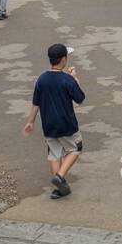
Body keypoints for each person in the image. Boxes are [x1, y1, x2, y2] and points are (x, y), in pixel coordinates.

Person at [24, 43, 85, 199]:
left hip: (48, 124)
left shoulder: (42, 79)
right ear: (63, 59)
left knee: (54, 153)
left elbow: (36, 103)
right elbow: (80, 98)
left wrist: (30, 121)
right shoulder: (67, 79)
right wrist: (75, 79)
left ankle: (58, 189)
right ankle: (60, 176)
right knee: (76, 148)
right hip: (66, 123)